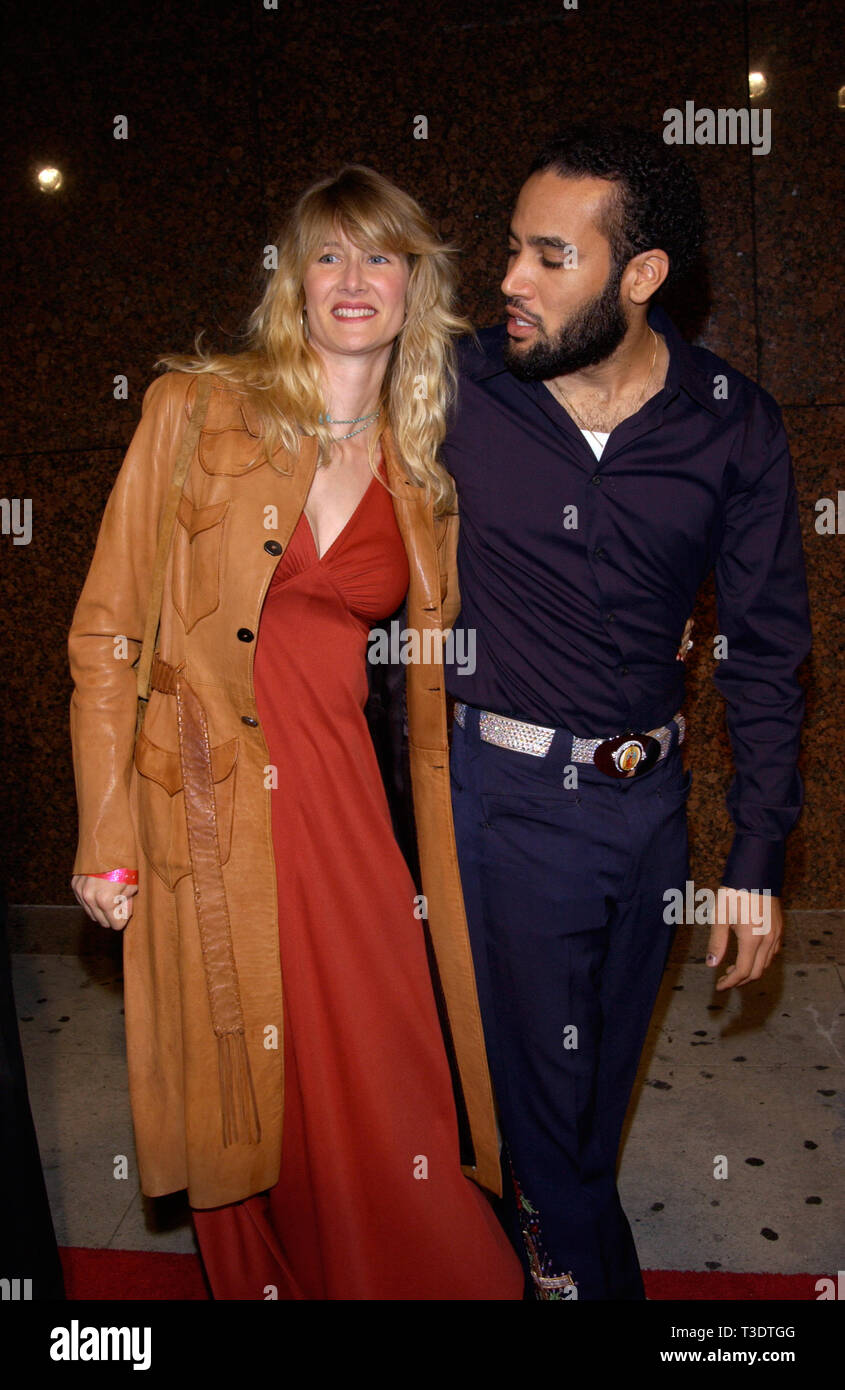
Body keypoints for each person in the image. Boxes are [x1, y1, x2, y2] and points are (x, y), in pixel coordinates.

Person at [68, 165, 524, 1301]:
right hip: (203, 812)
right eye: (328, 254)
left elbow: (452, 660)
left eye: (380, 255)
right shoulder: (192, 407)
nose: (353, 277)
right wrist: (103, 830)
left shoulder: (425, 476)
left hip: (348, 814)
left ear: (416, 285)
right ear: (294, 281)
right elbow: (106, 633)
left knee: (381, 1072)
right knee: (237, 1088)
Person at [443, 124, 811, 1301]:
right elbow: (297, 385)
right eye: (510, 248)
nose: (509, 279)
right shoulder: (457, 384)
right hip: (501, 803)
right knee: (546, 1116)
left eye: (550, 256)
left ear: (638, 275)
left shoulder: (730, 421)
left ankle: (546, 1249)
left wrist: (752, 854)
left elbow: (764, 651)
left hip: (647, 810)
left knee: (590, 1090)